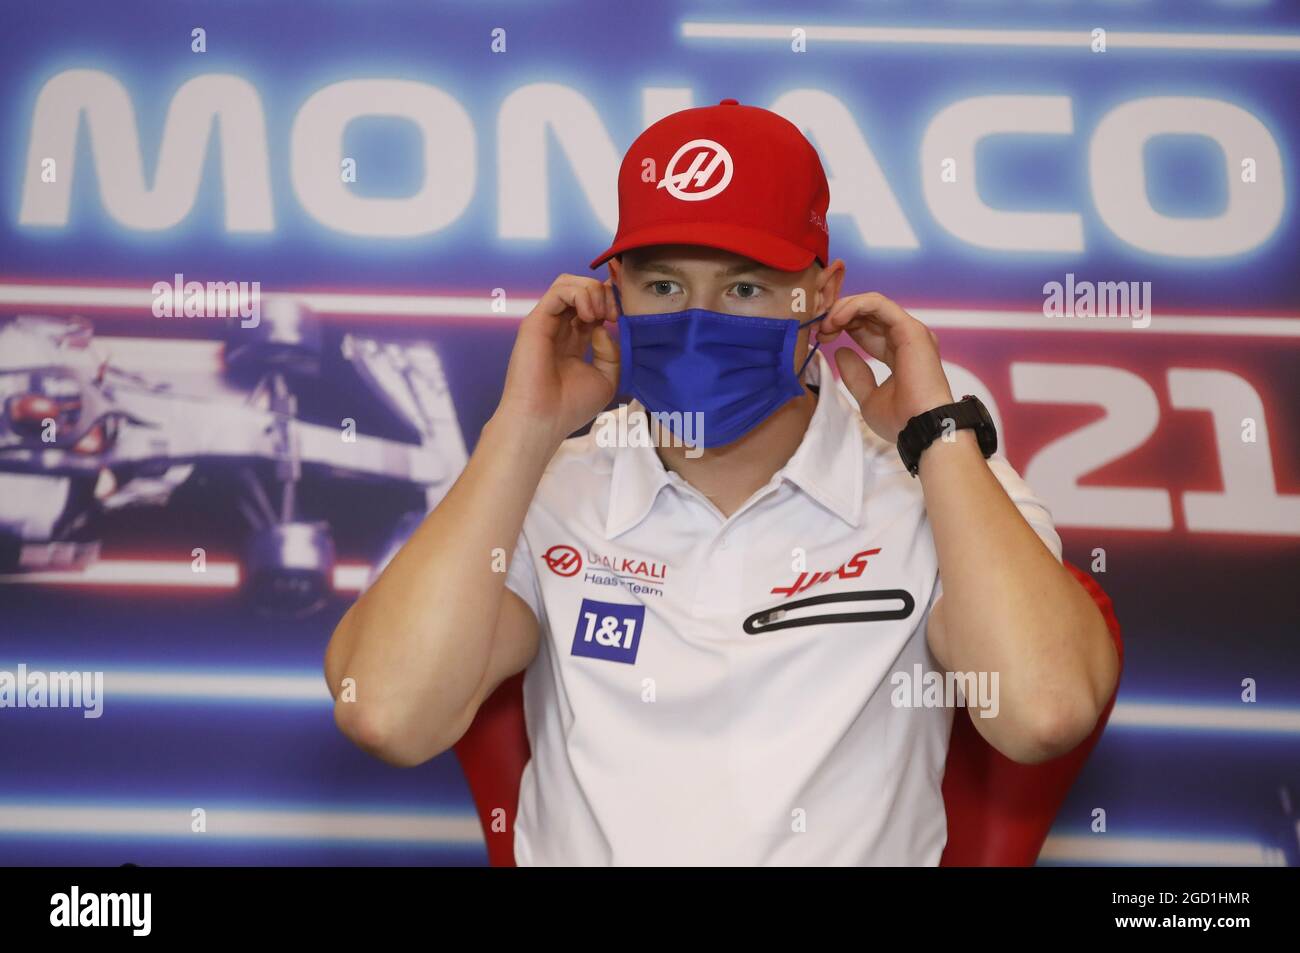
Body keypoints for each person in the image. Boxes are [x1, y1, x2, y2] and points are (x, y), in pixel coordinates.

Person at [324, 98, 1119, 865]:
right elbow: (388, 713)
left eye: (744, 288)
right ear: (614, 297)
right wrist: (522, 430)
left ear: (824, 294)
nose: (699, 321)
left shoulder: (940, 485)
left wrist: (938, 433)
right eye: (664, 287)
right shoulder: (548, 489)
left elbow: (1043, 713)